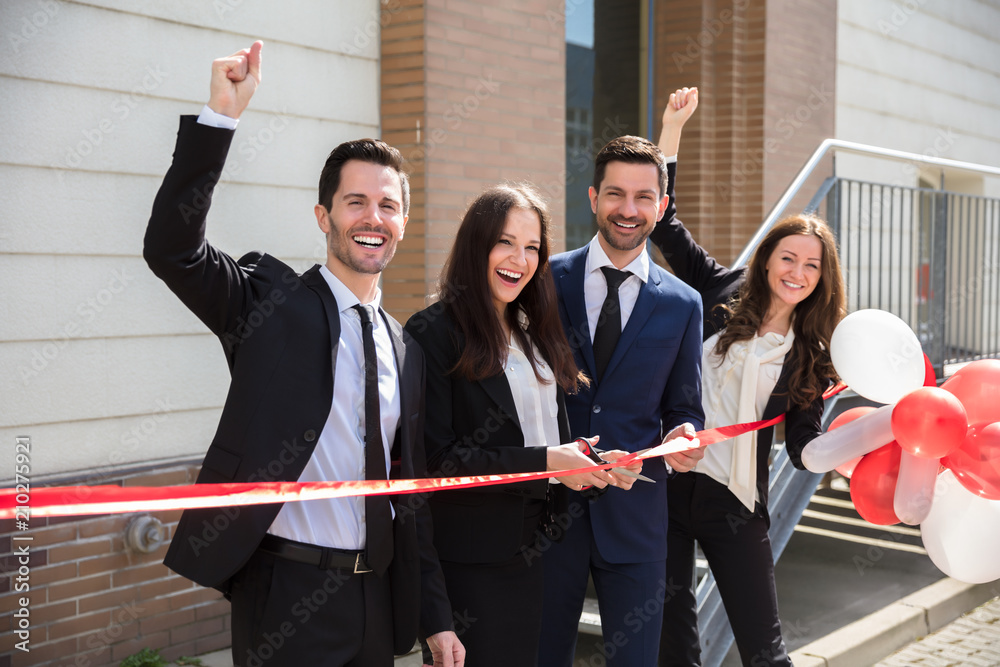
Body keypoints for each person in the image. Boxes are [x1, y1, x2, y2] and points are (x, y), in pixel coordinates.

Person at [143, 41, 463, 667]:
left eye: (388, 205)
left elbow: (410, 494)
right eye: (356, 202)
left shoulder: (406, 348)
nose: (374, 217)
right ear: (324, 215)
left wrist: (436, 616)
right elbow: (172, 250)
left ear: (402, 221)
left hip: (376, 602)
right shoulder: (271, 303)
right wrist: (220, 119)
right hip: (285, 595)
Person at [404, 184, 643, 666]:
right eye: (505, 242)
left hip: (542, 554)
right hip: (474, 567)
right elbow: (435, 463)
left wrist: (590, 467)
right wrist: (547, 461)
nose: (520, 258)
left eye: (533, 246)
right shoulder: (431, 333)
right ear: (477, 245)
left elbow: (540, 444)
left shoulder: (534, 333)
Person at [652, 88, 847, 667]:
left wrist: (866, 434)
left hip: (736, 501)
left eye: (812, 265)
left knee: (766, 650)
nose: (798, 272)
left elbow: (805, 445)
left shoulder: (813, 352)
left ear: (821, 278)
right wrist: (671, 131)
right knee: (672, 643)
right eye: (789, 257)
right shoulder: (720, 289)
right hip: (667, 483)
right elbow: (665, 223)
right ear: (767, 258)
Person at [537, 135, 708, 667]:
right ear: (593, 198)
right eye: (615, 194)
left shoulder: (684, 304)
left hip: (635, 518)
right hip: (546, 517)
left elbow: (684, 407)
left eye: (642, 197)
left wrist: (684, 435)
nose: (627, 210)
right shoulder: (543, 280)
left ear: (661, 205)